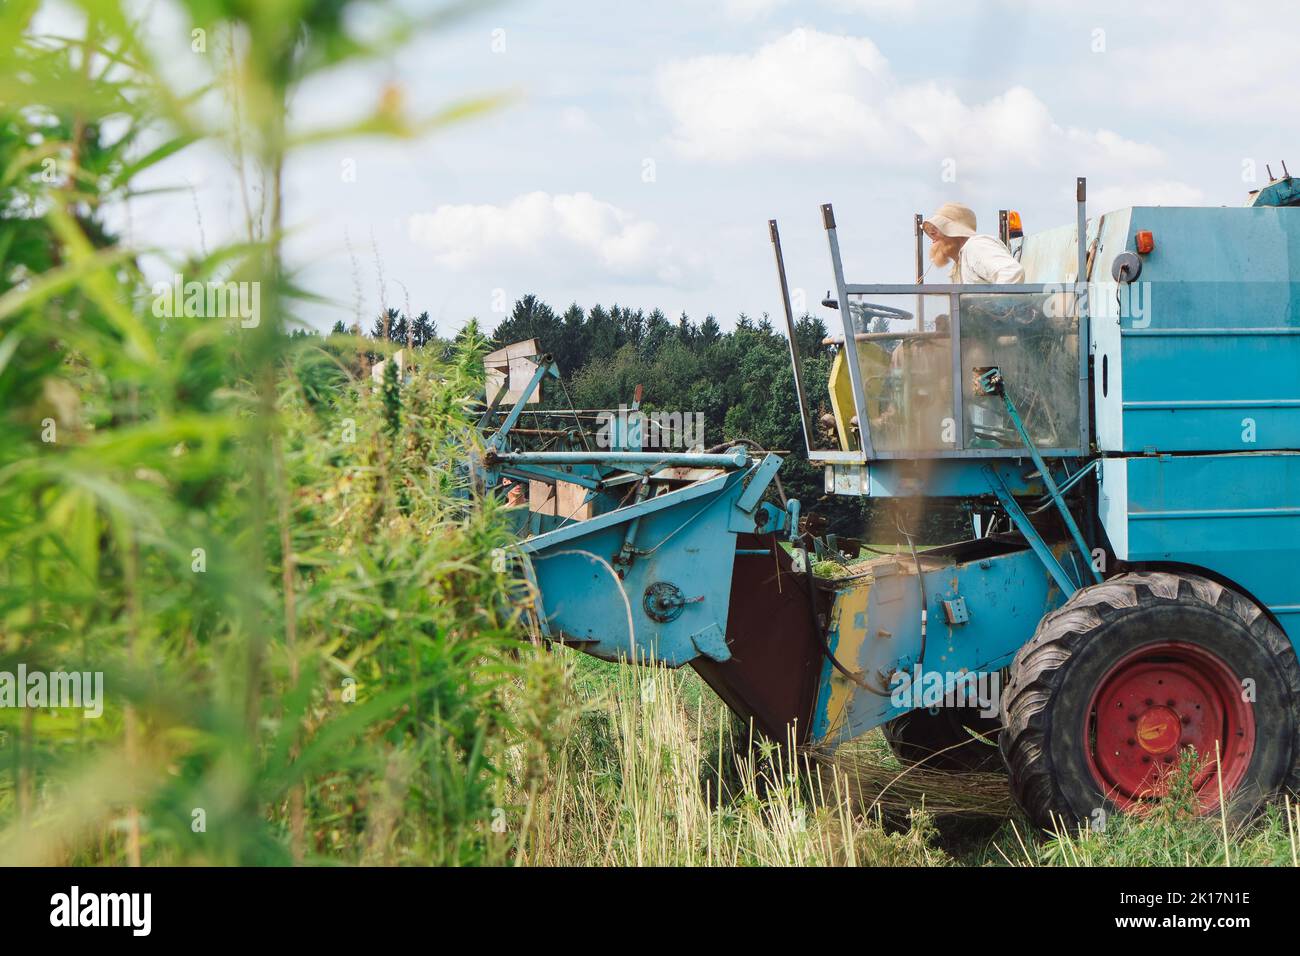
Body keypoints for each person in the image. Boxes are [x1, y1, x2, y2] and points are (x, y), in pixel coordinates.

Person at [922, 203, 1024, 284]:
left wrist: (995, 308)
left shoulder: (976, 246)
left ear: (954, 231)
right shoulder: (959, 264)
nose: (933, 238)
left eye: (936, 230)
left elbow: (1012, 272)